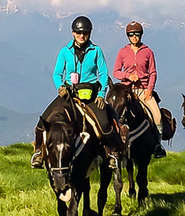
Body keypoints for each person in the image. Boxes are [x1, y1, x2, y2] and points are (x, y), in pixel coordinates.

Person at [31, 15, 111, 167]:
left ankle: (110, 154)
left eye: (85, 33)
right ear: (73, 33)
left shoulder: (96, 51)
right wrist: (60, 87)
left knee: (105, 124)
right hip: (69, 94)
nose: (82, 35)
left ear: (89, 33)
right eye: (79, 32)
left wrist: (101, 95)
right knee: (43, 122)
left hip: (91, 94)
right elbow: (57, 74)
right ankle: (39, 152)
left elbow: (103, 74)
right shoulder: (65, 52)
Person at [112, 20, 164, 157]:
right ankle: (112, 145)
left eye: (137, 34)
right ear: (128, 36)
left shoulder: (148, 52)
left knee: (157, 116)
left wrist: (149, 89)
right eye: (131, 34)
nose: (134, 37)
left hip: (143, 90)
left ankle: (158, 145)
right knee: (115, 114)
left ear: (141, 35)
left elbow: (153, 72)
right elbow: (116, 72)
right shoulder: (122, 52)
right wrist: (128, 76)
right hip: (126, 90)